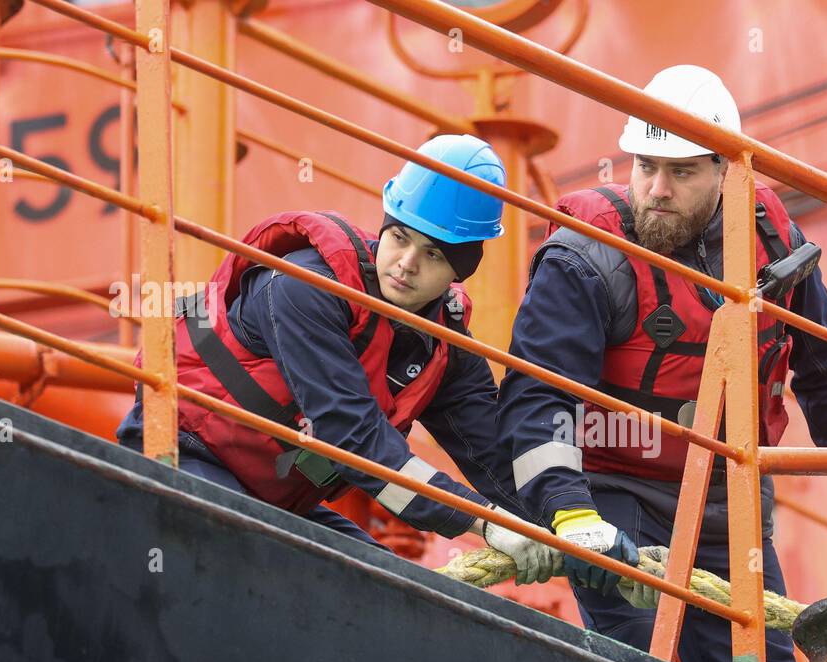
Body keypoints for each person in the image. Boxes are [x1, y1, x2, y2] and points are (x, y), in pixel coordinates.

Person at [496, 66, 827, 662]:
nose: (657, 189)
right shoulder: (587, 256)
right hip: (613, 494)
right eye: (645, 166)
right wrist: (569, 512)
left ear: (727, 172)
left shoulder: (775, 245)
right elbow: (537, 396)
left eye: (682, 171)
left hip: (729, 495)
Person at [118, 134, 558, 585]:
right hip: (186, 455)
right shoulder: (302, 287)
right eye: (400, 237)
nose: (406, 263)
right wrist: (483, 522)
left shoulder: (444, 343)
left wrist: (572, 524)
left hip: (277, 497)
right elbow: (351, 436)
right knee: (238, 559)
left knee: (386, 594)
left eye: (433, 254)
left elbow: (492, 451)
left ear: (458, 273)